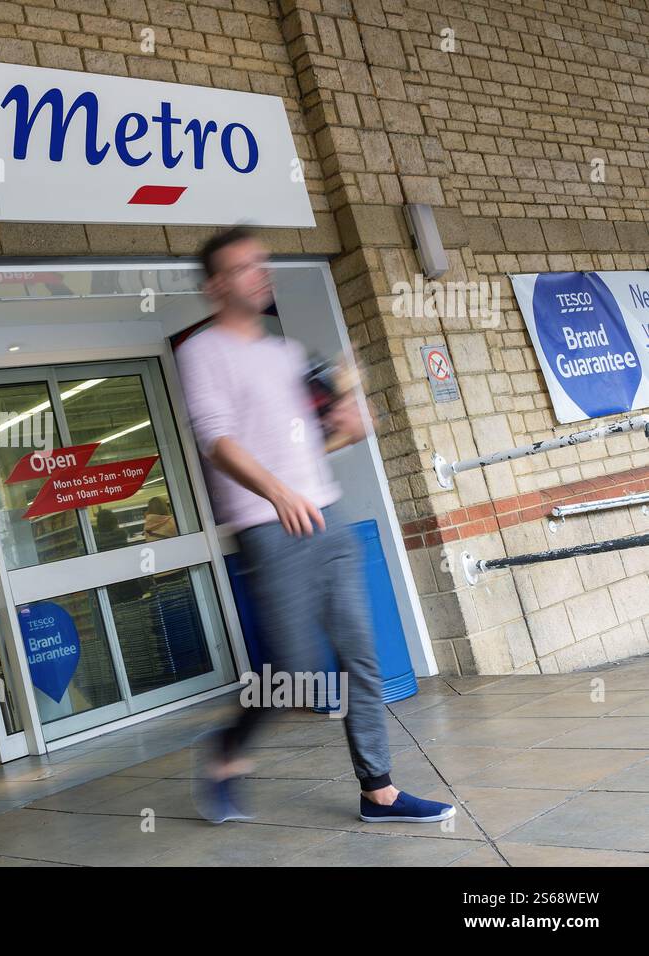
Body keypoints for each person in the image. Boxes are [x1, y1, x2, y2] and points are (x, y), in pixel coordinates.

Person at [175, 226, 454, 826]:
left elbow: (317, 443)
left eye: (262, 262)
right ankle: (227, 751)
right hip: (266, 524)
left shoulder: (289, 353)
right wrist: (276, 492)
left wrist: (351, 426)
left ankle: (378, 789)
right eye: (245, 266)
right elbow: (216, 439)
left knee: (361, 654)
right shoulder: (201, 351)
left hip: (327, 518)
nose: (261, 272)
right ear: (215, 286)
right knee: (295, 674)